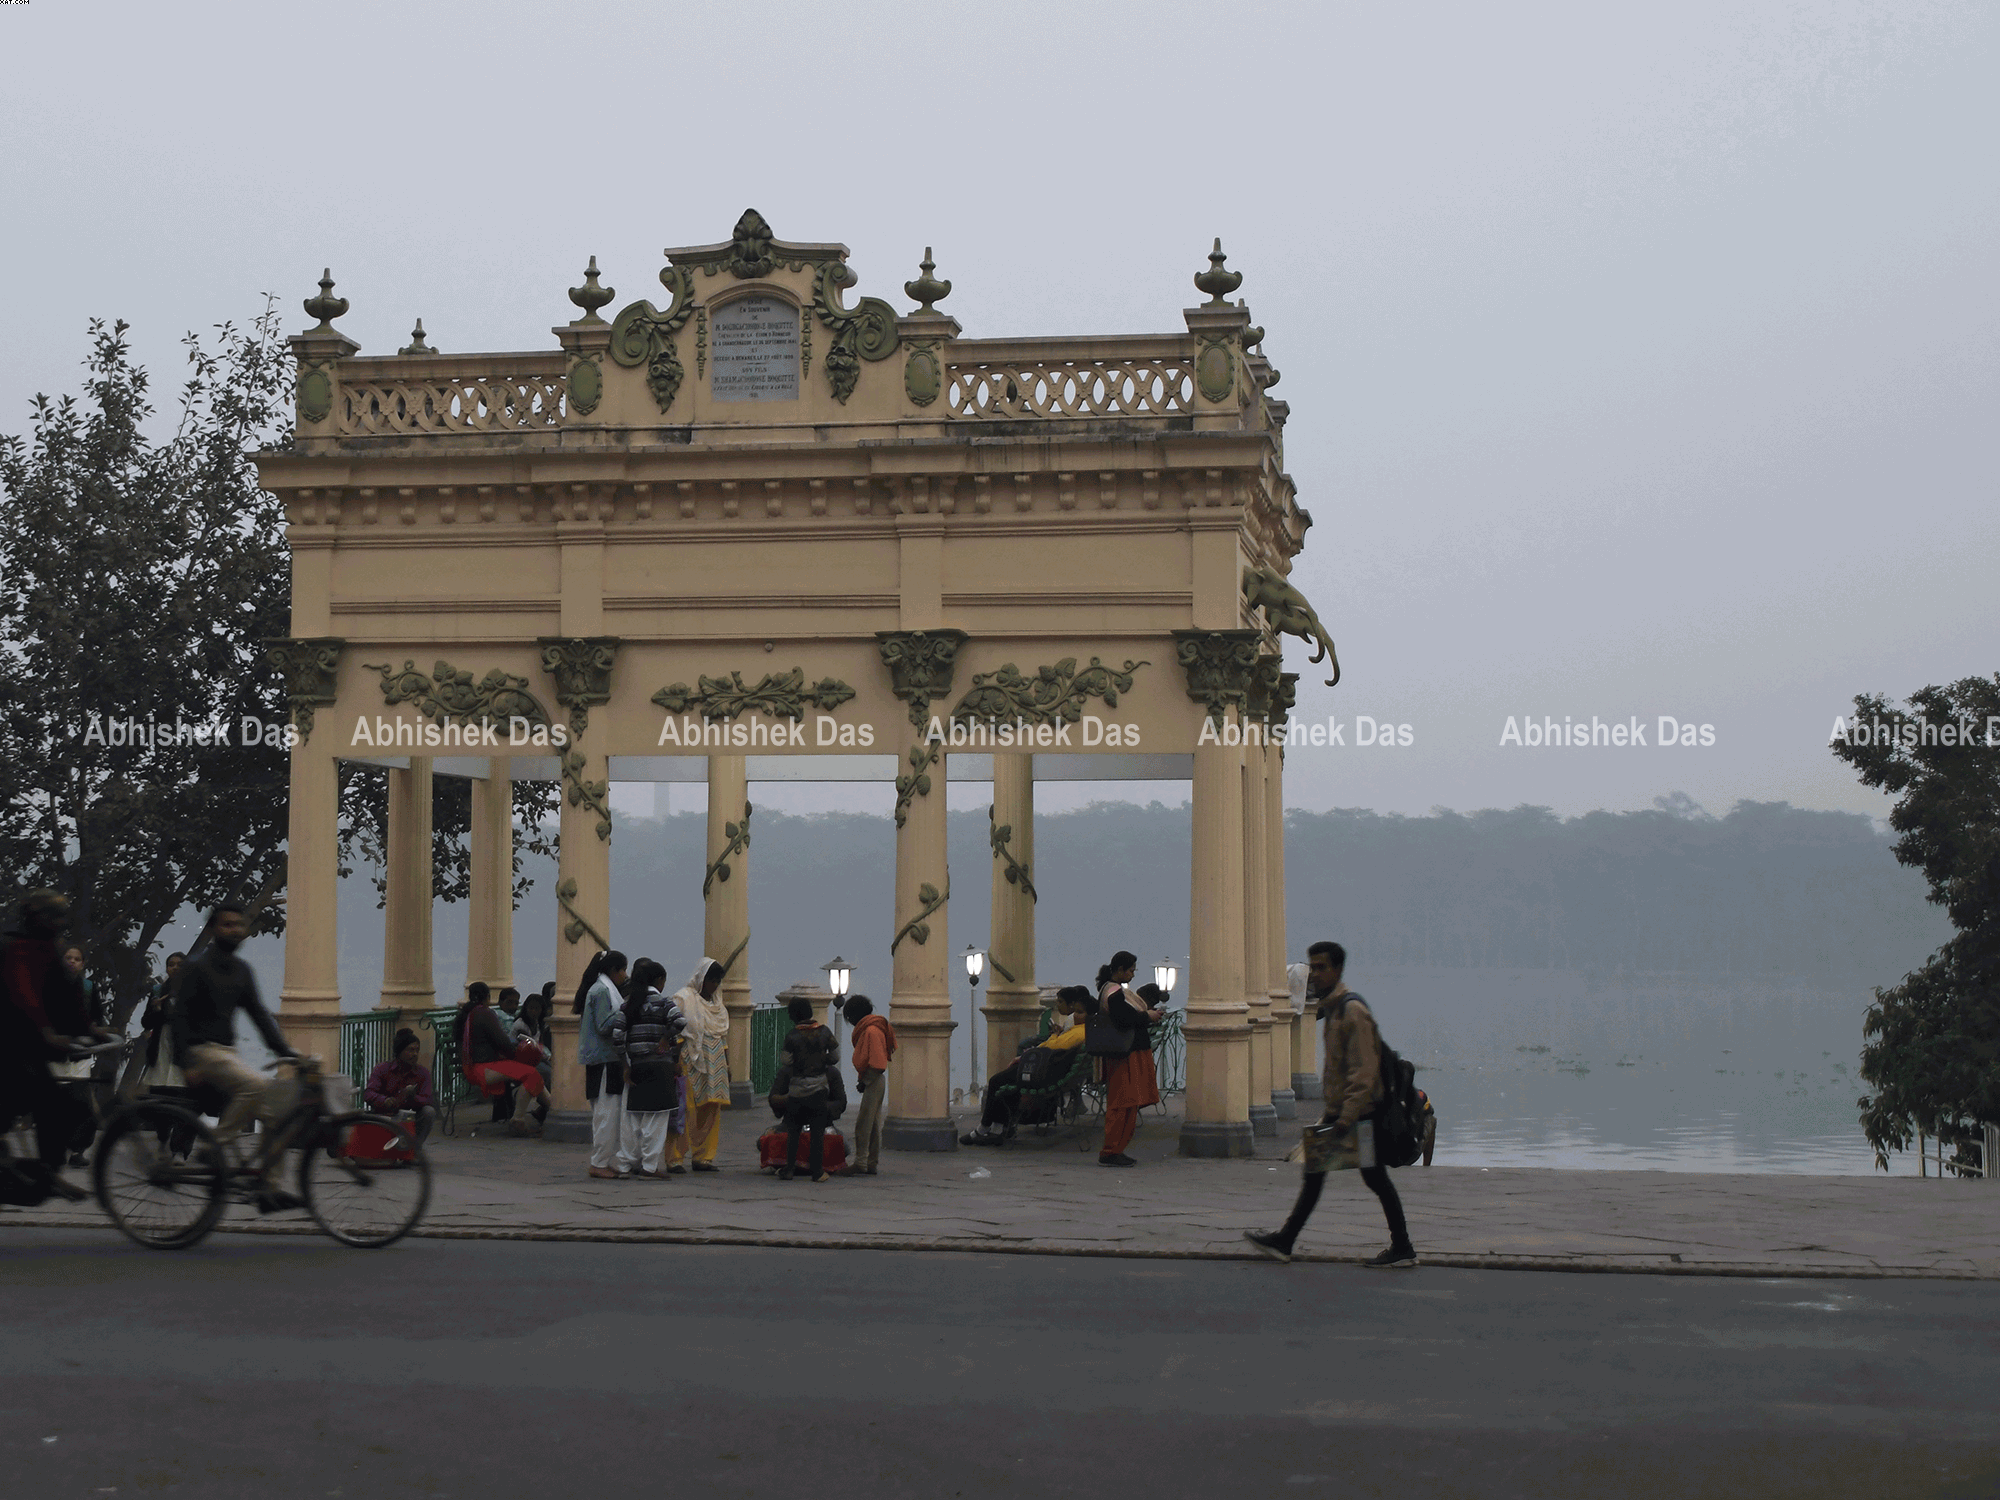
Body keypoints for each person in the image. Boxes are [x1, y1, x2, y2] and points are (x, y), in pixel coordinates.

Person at [1245, 941, 1418, 1267]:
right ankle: (1288, 1240)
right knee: (1335, 1175)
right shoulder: (1334, 1008)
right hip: (1344, 1112)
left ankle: (1402, 1246)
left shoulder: (1352, 1011)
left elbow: (1364, 1072)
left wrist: (1345, 1117)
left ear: (1338, 970)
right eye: (1313, 968)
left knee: (1359, 1177)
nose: (1316, 975)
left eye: (1323, 968)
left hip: (1359, 1115)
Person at [172, 903, 304, 1212]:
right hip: (201, 1052)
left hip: (227, 1054)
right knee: (256, 1084)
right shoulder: (196, 968)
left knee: (277, 1115)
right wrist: (186, 1062)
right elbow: (178, 1019)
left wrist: (286, 1052)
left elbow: (259, 1015)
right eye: (227, 924)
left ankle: (268, 1189)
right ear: (213, 929)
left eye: (239, 925)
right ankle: (214, 1144)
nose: (235, 930)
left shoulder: (242, 971)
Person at [0, 890, 99, 1199]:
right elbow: (22, 994)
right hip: (7, 1043)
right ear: (35, 917)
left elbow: (68, 995)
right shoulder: (14, 947)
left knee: (51, 1105)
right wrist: (46, 1031)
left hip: (25, 1047)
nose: (59, 922)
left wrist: (90, 1029)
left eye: (61, 917)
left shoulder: (50, 951)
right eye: (53, 916)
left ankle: (47, 1172)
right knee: (27, 1101)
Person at [961, 987, 1089, 1145]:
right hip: (1048, 1071)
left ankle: (982, 1130)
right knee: (1004, 1083)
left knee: (996, 1082)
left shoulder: (1079, 1032)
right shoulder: (1081, 1031)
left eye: (1080, 1012)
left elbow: (1052, 1047)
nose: (1075, 1015)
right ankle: (997, 1128)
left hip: (1041, 1073)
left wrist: (1024, 1056)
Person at [611, 958, 686, 1179]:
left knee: (632, 1118)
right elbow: (681, 1022)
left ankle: (625, 1165)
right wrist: (665, 1038)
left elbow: (617, 1037)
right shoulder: (663, 1003)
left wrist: (625, 1064)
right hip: (660, 1066)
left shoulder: (628, 1004)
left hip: (636, 1066)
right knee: (657, 1119)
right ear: (659, 980)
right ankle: (649, 1166)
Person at [768, 994, 845, 1183]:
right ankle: (817, 1172)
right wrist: (821, 1060)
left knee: (793, 1131)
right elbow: (835, 1056)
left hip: (796, 1091)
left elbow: (786, 1060)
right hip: (818, 1090)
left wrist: (799, 1063)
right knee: (817, 1133)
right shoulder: (825, 1031)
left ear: (793, 1016)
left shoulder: (792, 1036)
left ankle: (789, 1169)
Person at [1096, 951, 1161, 1167]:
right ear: (1120, 970)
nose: (1133, 975)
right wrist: (1147, 1016)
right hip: (1126, 1053)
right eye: (1131, 970)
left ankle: (1116, 1148)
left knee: (1127, 1101)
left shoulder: (1109, 990)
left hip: (1128, 1051)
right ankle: (1112, 1149)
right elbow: (1124, 1019)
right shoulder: (1114, 993)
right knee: (1123, 1101)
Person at [460, 980, 549, 1137]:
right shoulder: (484, 1013)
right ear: (488, 997)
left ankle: (553, 1110)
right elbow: (503, 1042)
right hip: (482, 1068)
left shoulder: (469, 1013)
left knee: (531, 1074)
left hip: (477, 1066)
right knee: (531, 1073)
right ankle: (518, 1120)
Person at [667, 957, 730, 1175]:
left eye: (717, 982)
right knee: (685, 1109)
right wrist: (674, 1060)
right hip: (690, 1060)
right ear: (701, 979)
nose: (714, 986)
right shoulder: (683, 999)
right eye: (711, 981)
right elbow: (673, 1031)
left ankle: (703, 1156)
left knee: (712, 1108)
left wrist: (727, 1064)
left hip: (716, 1062)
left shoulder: (718, 1005)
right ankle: (675, 1158)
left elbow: (723, 1037)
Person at [137, 951, 199, 1158]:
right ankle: (163, 1137)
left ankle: (179, 1151)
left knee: (184, 1104)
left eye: (179, 964)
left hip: (183, 1055)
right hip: (161, 1052)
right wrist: (156, 1009)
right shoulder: (157, 991)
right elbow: (145, 1023)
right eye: (171, 964)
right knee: (159, 1104)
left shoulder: (194, 991)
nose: (175, 968)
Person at [573, 950, 629, 1179]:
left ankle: (603, 1159)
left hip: (602, 1058)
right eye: (623, 970)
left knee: (605, 1111)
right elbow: (604, 1024)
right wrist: (627, 1012)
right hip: (604, 1058)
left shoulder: (600, 988)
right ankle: (599, 1162)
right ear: (613, 971)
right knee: (607, 1112)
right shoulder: (603, 991)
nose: (625, 975)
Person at [54, 944, 104, 1166]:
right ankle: (57, 1149)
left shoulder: (88, 988)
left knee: (83, 1105)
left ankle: (77, 1151)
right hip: (55, 1054)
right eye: (68, 958)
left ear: (83, 963)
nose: (72, 961)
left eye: (77, 959)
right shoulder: (50, 984)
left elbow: (97, 1018)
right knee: (57, 1104)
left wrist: (92, 1034)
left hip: (80, 1056)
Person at [845, 993, 896, 1175]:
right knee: (873, 1124)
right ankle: (871, 1162)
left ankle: (861, 1162)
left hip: (873, 1080)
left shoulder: (871, 1031)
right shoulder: (874, 1027)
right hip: (872, 1079)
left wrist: (864, 1081)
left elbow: (877, 1064)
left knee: (864, 1124)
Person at [363, 1028, 439, 1147]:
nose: (415, 1054)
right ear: (400, 1052)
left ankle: (414, 1149)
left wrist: (413, 1098)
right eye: (410, 1050)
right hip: (385, 1116)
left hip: (410, 1117)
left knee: (429, 1112)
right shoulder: (382, 1069)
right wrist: (385, 1101)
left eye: (417, 1050)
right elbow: (368, 1093)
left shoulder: (422, 1073)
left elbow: (428, 1099)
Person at [512, 988, 557, 1100]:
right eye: (531, 1008)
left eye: (537, 1009)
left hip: (535, 1058)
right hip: (522, 1060)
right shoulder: (520, 1026)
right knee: (549, 1074)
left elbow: (539, 1044)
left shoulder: (537, 1024)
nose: (533, 1012)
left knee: (555, 1071)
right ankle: (549, 1103)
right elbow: (529, 1046)